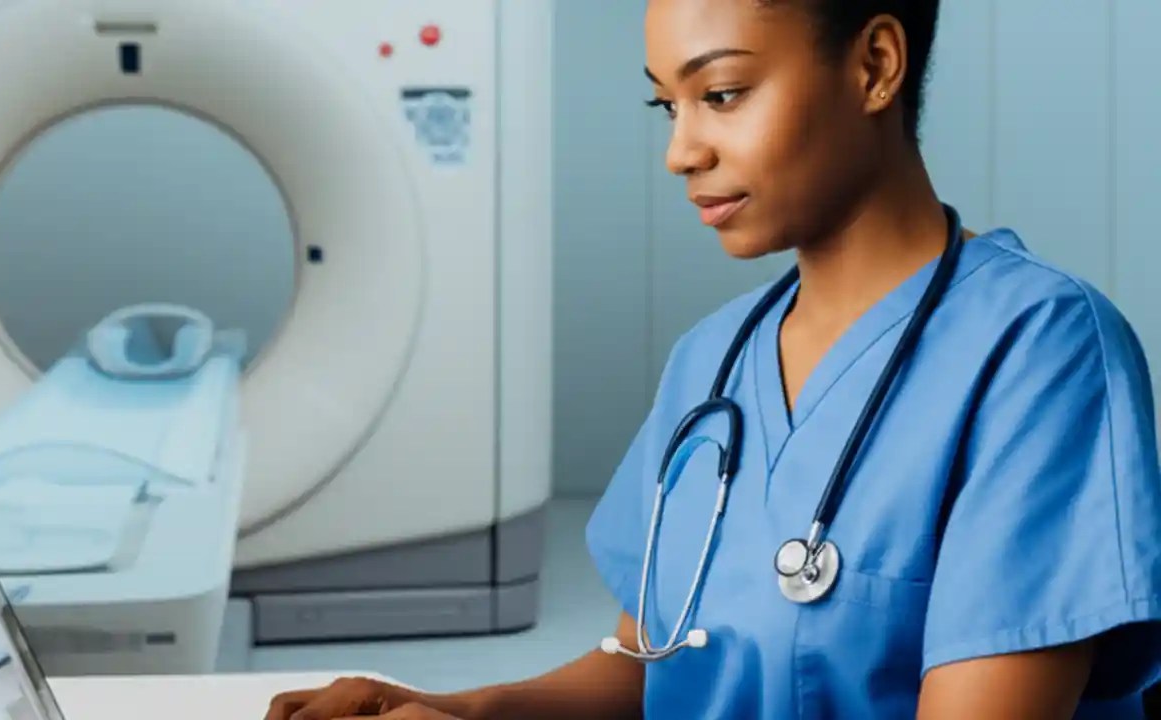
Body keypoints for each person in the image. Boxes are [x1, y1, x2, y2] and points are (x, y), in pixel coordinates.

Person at [263, 0, 1161, 717]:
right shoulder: (713, 364)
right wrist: (464, 711)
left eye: (721, 94)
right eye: (667, 103)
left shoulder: (1041, 351)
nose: (680, 151)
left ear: (874, 65)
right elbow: (647, 667)